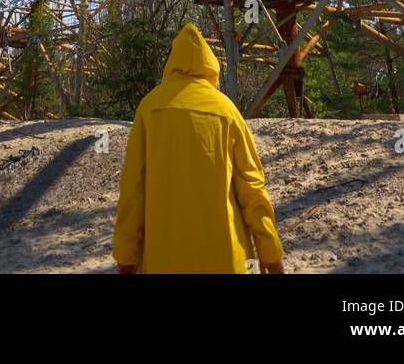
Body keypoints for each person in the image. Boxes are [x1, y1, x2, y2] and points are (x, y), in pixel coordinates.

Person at [112, 22, 285, 274]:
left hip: (164, 260)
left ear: (172, 63)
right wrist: (271, 254)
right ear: (211, 66)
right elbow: (253, 189)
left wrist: (126, 257)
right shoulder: (227, 111)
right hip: (227, 260)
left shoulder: (149, 109)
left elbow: (132, 190)